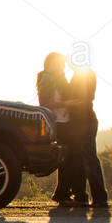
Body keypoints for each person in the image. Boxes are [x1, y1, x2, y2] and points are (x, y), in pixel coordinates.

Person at [36, 52, 83, 202]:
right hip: (58, 123)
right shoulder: (47, 79)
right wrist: (66, 104)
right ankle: (65, 193)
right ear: (52, 63)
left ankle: (63, 193)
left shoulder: (59, 79)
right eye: (60, 63)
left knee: (69, 159)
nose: (63, 67)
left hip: (66, 122)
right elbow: (44, 105)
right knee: (69, 158)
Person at [67, 67, 108, 207]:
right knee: (79, 157)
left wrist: (66, 102)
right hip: (83, 119)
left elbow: (81, 99)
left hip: (83, 120)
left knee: (88, 158)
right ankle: (82, 195)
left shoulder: (84, 75)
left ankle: (98, 197)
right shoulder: (82, 74)